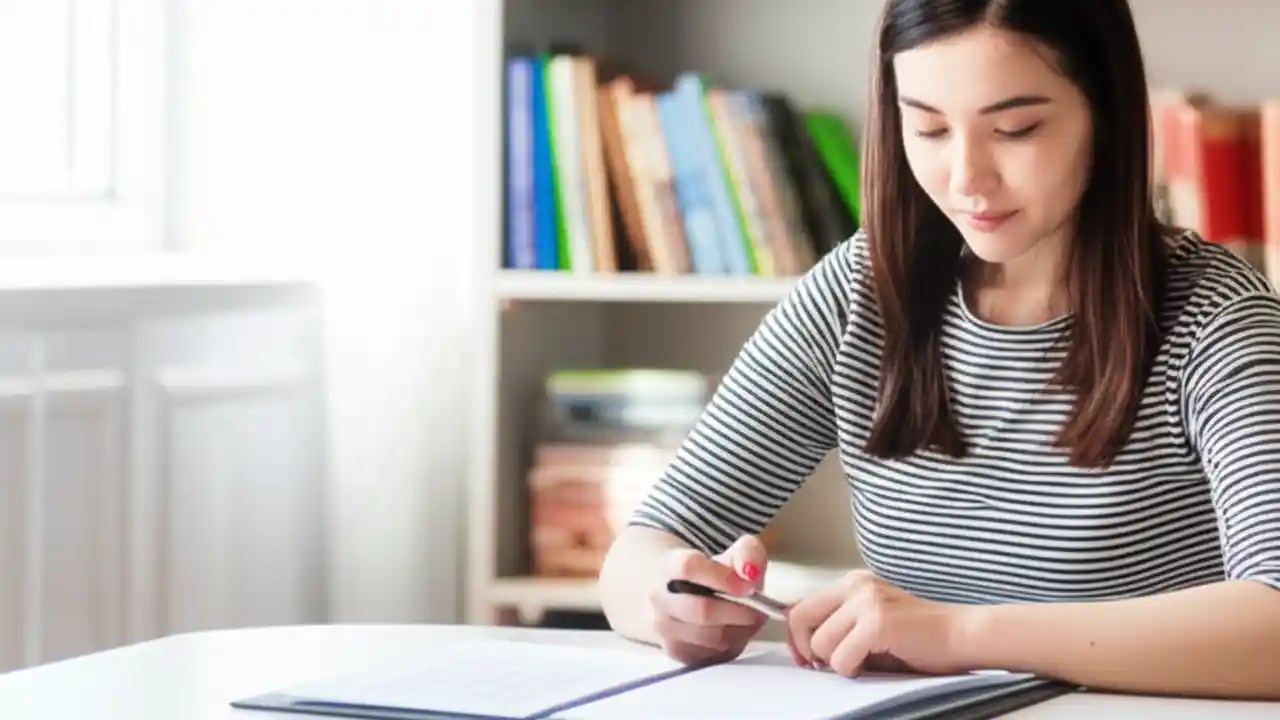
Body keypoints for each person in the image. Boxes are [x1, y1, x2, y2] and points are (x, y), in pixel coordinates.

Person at [597, 0, 1280, 700]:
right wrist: (675, 598)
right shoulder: (859, 293)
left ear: (1104, 113)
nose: (965, 178)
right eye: (927, 128)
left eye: (1015, 130)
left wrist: (958, 635)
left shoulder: (1216, 318)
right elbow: (639, 553)